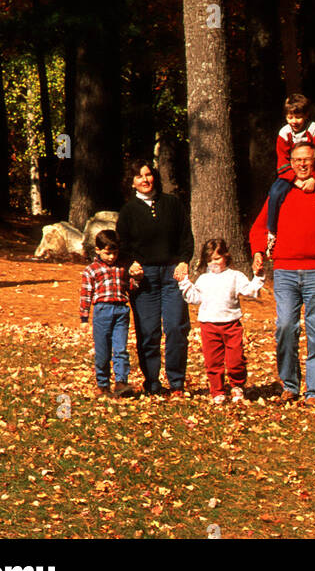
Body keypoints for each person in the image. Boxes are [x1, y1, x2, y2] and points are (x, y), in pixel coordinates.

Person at [249, 141, 315, 409]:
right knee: (285, 327)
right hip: (284, 270)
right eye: (297, 160)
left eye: (307, 159)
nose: (302, 164)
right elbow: (259, 227)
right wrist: (258, 252)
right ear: (291, 163)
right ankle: (290, 385)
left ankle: (314, 394)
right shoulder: (281, 191)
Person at [117, 162, 194, 397]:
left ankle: (177, 383)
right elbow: (122, 246)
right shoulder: (128, 211)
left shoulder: (172, 204)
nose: (145, 179)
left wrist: (183, 260)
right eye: (139, 176)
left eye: (148, 174)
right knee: (148, 331)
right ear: (132, 182)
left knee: (176, 328)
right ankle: (152, 383)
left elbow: (186, 237)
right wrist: (131, 264)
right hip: (145, 279)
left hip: (172, 274)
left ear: (155, 177)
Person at [175, 237, 265, 403]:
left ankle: (237, 386)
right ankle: (217, 391)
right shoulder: (203, 279)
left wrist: (258, 277)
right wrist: (185, 283)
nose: (213, 263)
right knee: (213, 361)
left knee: (235, 360)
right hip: (209, 325)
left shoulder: (235, 276)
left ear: (226, 256)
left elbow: (250, 290)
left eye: (217, 258)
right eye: (209, 260)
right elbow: (194, 298)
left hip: (231, 324)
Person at [268, 94, 315, 258]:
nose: (294, 121)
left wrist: (314, 178)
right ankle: (272, 233)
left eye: (298, 117)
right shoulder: (284, 133)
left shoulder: (314, 129)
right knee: (275, 193)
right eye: (290, 117)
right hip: (291, 174)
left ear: (306, 115)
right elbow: (282, 162)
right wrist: (296, 180)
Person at [78, 229, 138, 399]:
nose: (111, 257)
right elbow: (86, 294)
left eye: (114, 253)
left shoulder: (122, 267)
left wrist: (137, 279)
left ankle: (121, 382)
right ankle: (103, 384)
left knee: (120, 348)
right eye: (108, 253)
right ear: (97, 250)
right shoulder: (91, 270)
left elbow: (130, 286)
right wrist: (84, 317)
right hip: (102, 311)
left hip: (121, 310)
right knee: (102, 350)